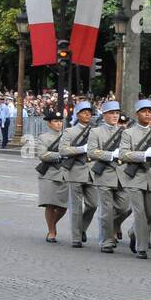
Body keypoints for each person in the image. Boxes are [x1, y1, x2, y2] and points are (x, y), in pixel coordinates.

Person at [118, 99, 151, 259]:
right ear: (137, 114)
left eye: (150, 111)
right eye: (144, 111)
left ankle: (133, 232)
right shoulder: (128, 133)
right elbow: (123, 154)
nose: (147, 114)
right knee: (140, 213)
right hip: (135, 177)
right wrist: (142, 155)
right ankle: (141, 247)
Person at [86, 100, 131, 252]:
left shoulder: (125, 132)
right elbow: (91, 151)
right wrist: (110, 154)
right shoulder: (96, 131)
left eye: (117, 113)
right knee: (106, 210)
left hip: (121, 174)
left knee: (125, 207)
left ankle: (111, 225)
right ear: (104, 115)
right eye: (111, 113)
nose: (115, 116)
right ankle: (106, 241)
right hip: (104, 173)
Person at [57, 101, 99, 247]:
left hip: (91, 172)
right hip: (75, 171)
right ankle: (76, 238)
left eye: (89, 112)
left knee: (93, 204)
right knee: (76, 207)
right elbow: (62, 150)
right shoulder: (70, 131)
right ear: (78, 114)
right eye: (84, 112)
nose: (87, 114)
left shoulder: (95, 130)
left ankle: (81, 229)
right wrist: (81, 149)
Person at [34, 108, 68, 241]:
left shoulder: (68, 136)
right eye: (55, 121)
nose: (59, 124)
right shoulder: (43, 137)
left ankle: (52, 224)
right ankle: (51, 230)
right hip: (49, 173)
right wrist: (61, 154)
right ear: (49, 123)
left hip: (64, 174)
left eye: (60, 121)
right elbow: (43, 155)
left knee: (63, 207)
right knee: (50, 204)